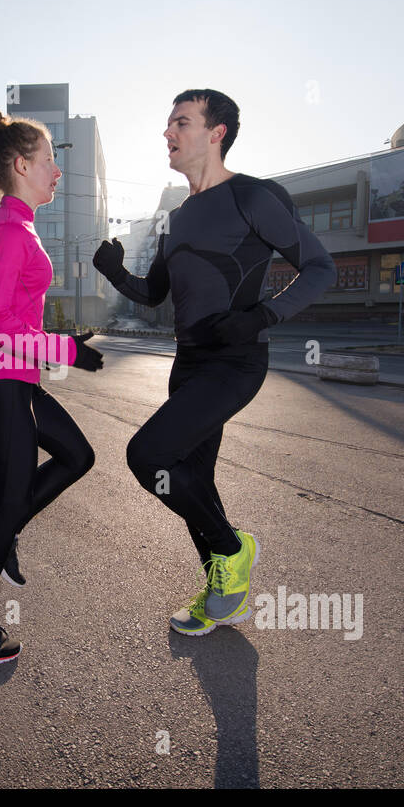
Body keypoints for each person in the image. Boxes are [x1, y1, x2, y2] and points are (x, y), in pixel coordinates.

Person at [94, 89, 336, 636]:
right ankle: (224, 595)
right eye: (168, 123)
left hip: (236, 361)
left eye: (181, 122)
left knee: (147, 455)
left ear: (216, 132)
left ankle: (234, 549)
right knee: (193, 480)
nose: (167, 133)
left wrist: (263, 316)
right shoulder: (176, 219)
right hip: (188, 363)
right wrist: (113, 272)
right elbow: (153, 294)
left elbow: (320, 268)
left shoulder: (252, 196)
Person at [0, 108, 104, 663]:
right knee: (10, 502)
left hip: (13, 379)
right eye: (50, 161)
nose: (58, 172)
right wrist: (65, 350)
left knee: (77, 456)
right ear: (22, 164)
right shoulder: (9, 229)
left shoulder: (13, 225)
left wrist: (42, 335)